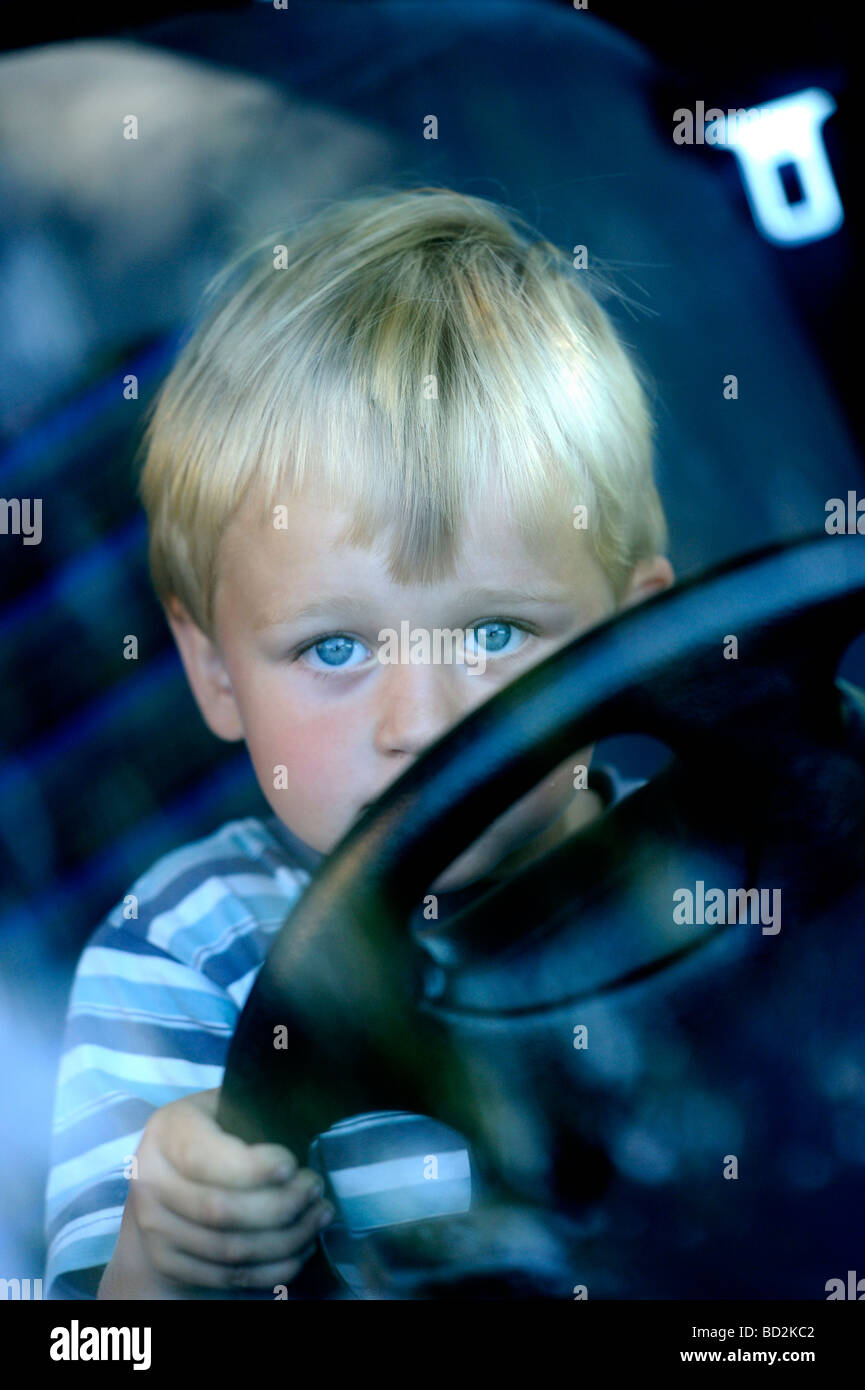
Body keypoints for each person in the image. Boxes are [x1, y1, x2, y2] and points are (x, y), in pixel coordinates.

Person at [44, 187, 674, 1299]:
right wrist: (166, 1247)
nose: (422, 725)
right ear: (212, 673)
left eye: (493, 633)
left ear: (633, 636)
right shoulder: (187, 961)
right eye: (334, 649)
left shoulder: (726, 858)